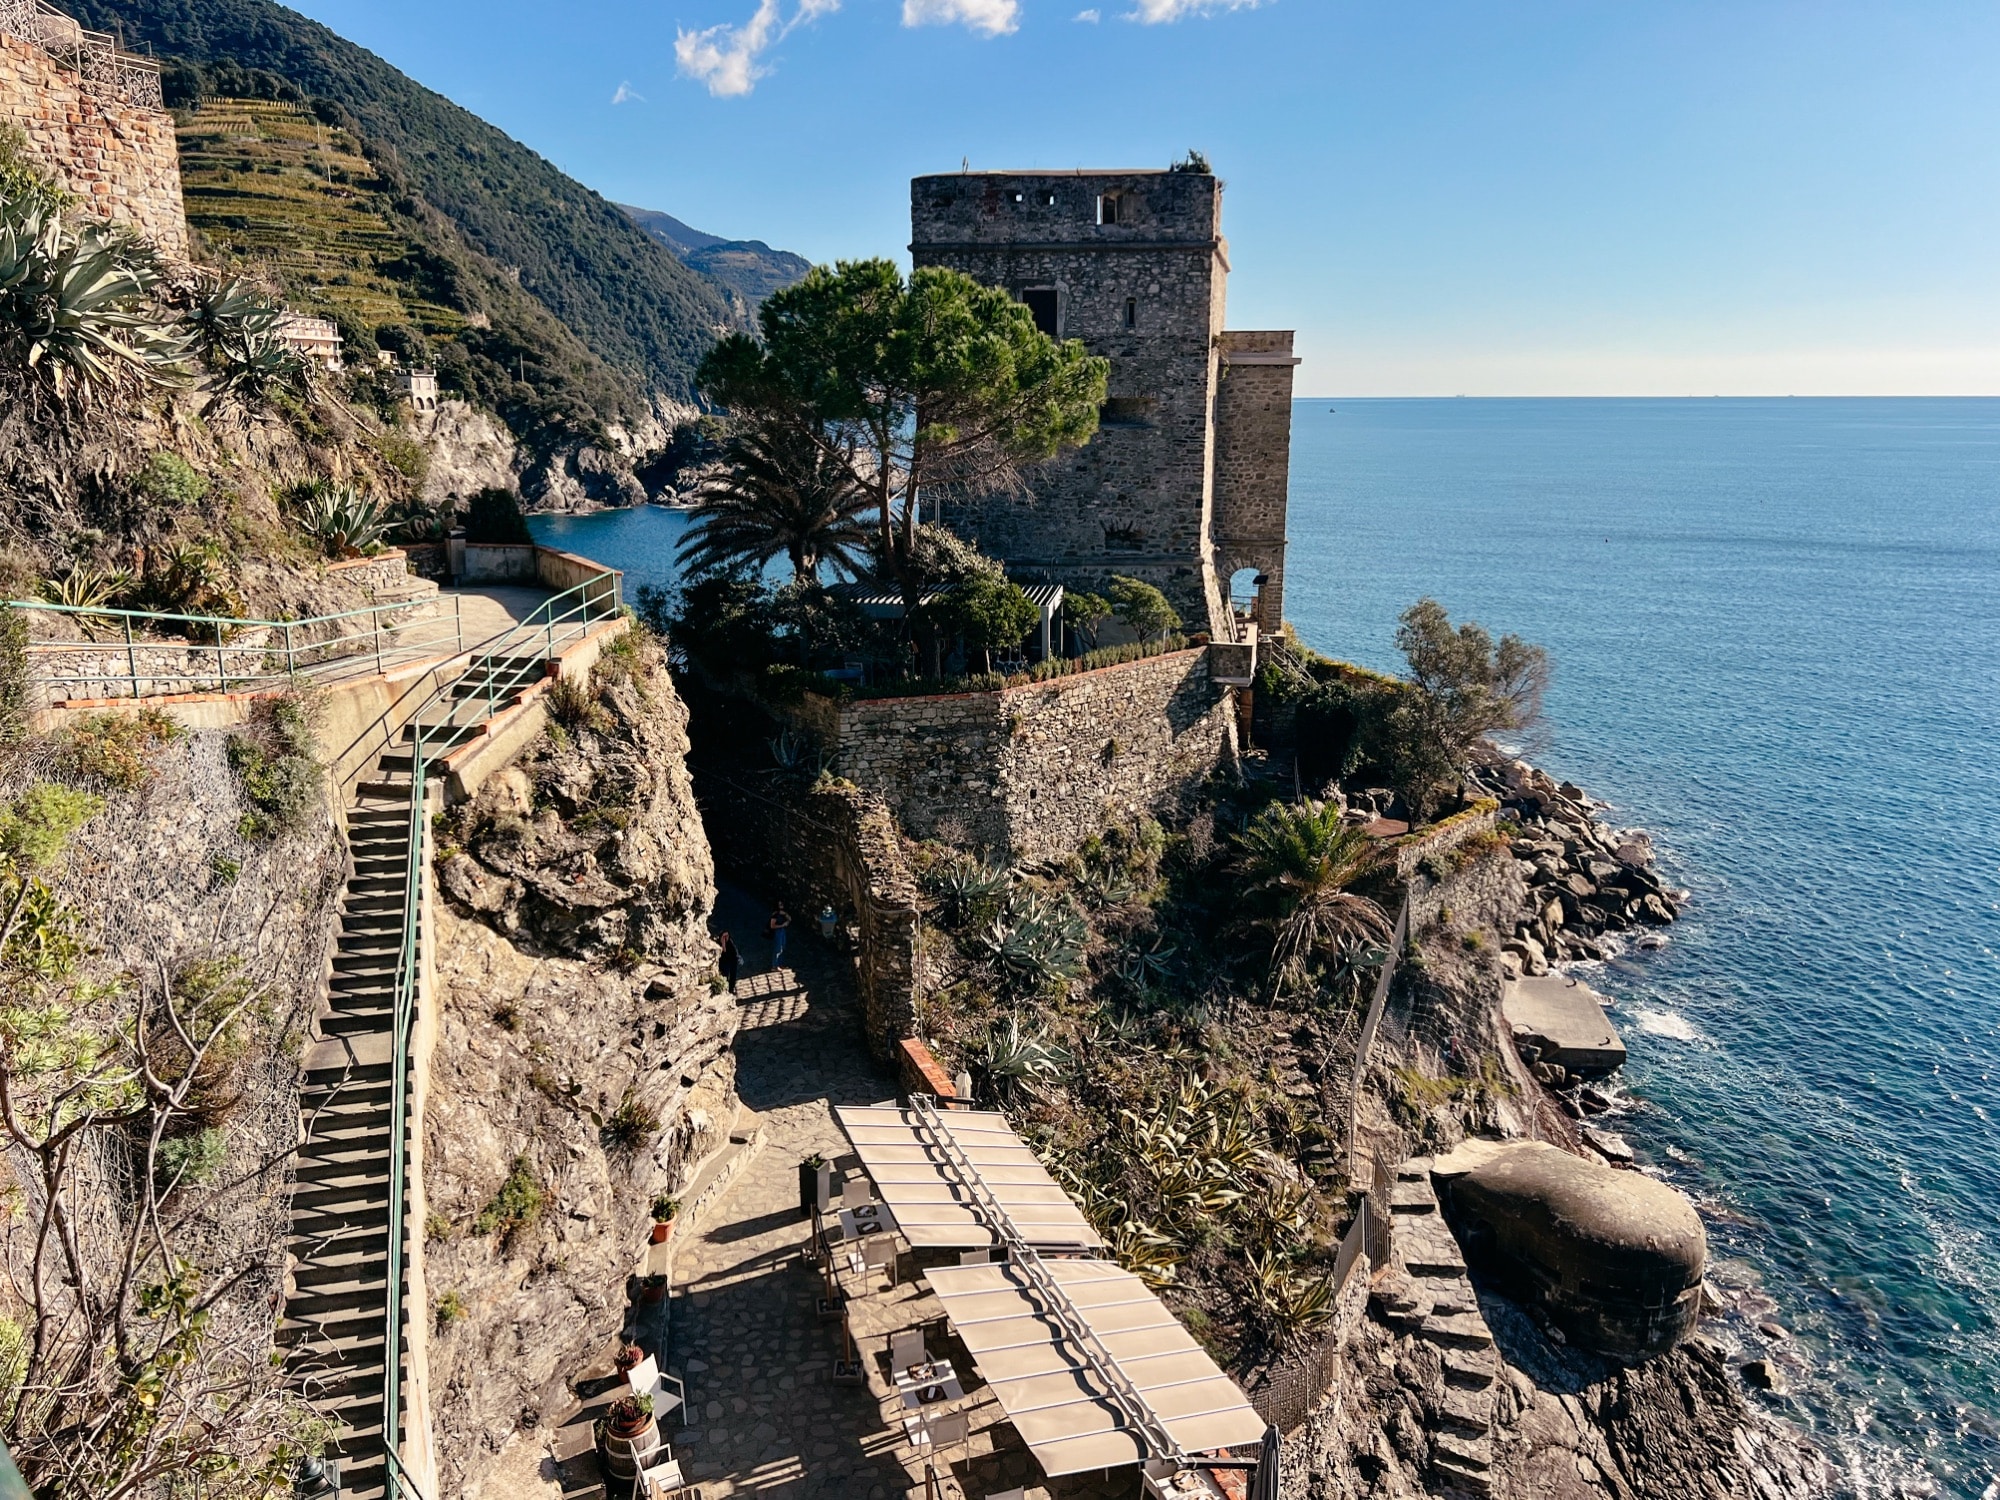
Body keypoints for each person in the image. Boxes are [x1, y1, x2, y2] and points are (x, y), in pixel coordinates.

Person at [768, 902, 791, 967]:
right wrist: (782, 925)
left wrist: (786, 916)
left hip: (782, 931)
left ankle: (780, 964)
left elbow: (789, 919)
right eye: (780, 905)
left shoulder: (783, 913)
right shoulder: (775, 914)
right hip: (777, 931)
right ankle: (775, 965)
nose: (782, 906)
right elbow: (772, 926)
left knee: (782, 947)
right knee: (777, 948)